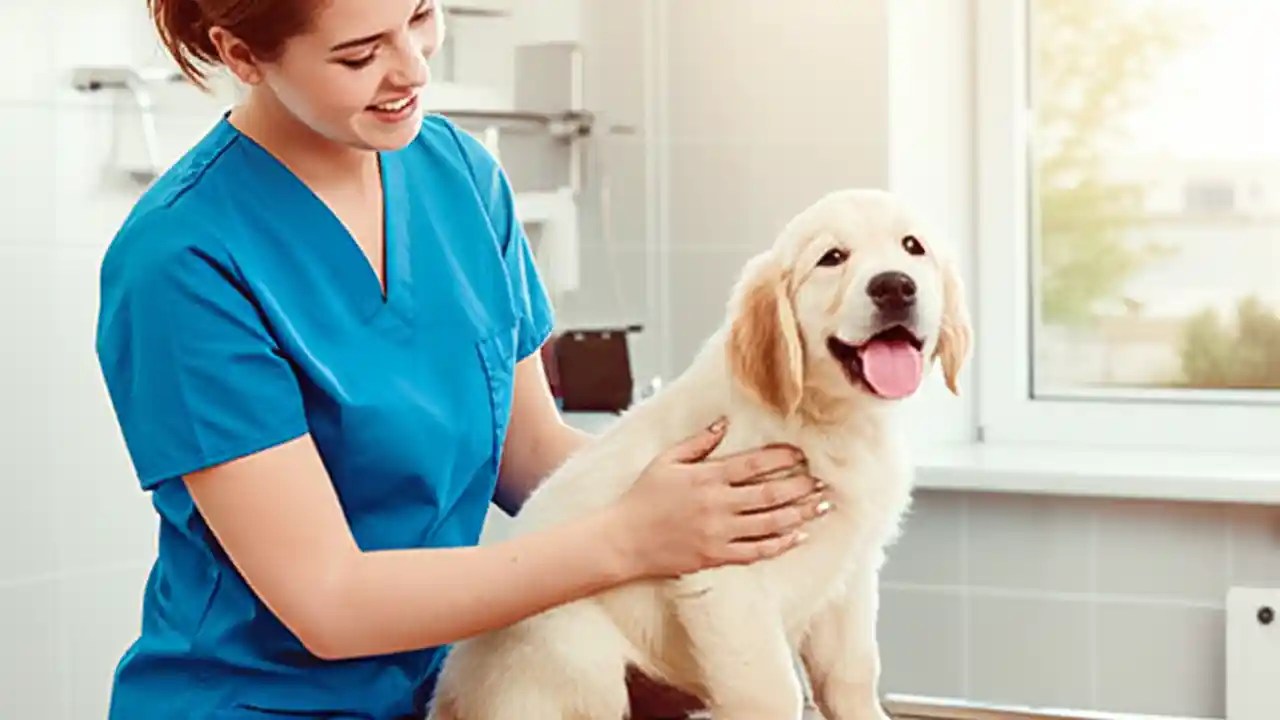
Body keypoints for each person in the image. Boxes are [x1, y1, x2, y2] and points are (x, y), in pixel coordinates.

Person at [94, 1, 830, 718]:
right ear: (242, 56)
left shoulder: (460, 177)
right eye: (360, 53)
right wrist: (630, 538)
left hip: (447, 690)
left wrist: (723, 499)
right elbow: (330, 601)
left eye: (420, 16)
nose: (413, 68)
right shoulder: (182, 260)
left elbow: (535, 456)